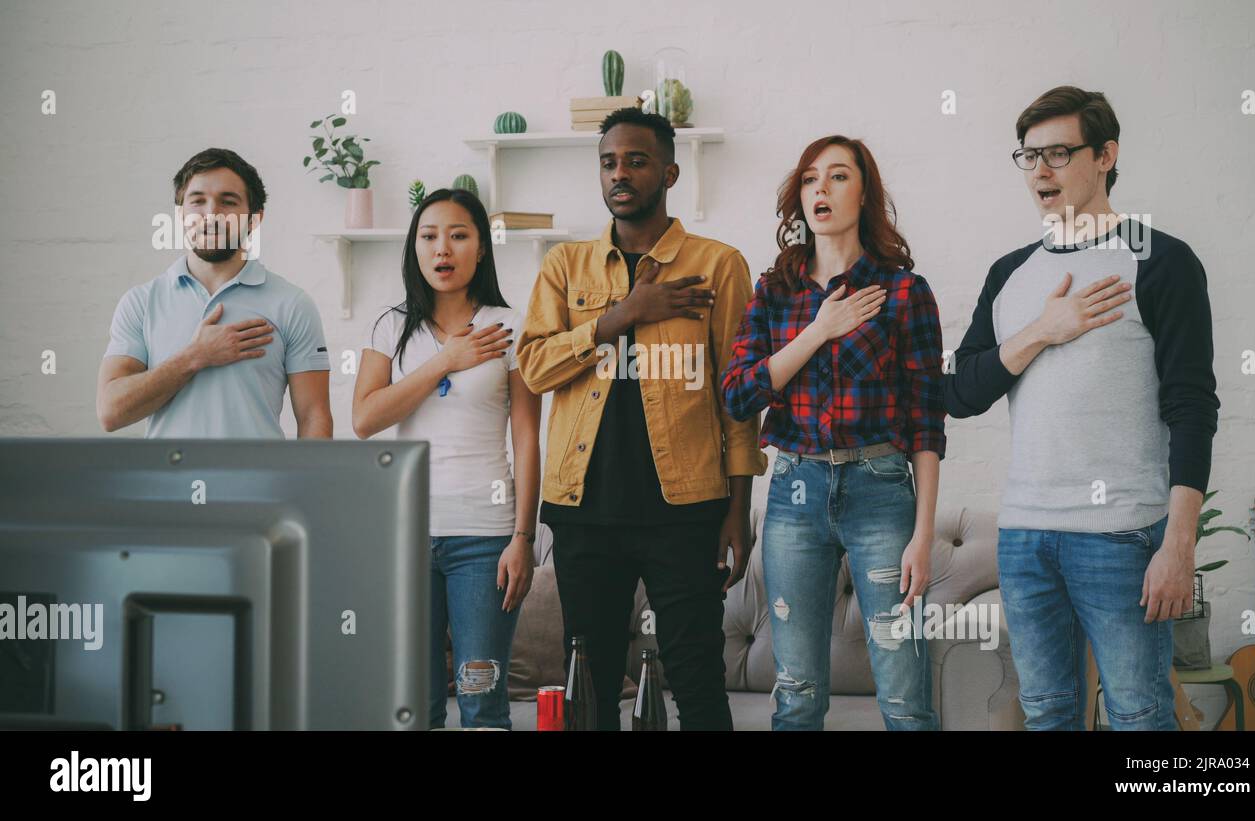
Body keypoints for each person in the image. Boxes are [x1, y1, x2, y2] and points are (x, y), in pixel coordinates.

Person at [943, 86, 1220, 730]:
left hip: (1122, 536)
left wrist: (1179, 544)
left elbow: (1192, 406)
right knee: (1046, 716)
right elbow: (958, 392)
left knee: (1141, 718)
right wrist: (1044, 329)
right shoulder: (1010, 271)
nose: (1041, 170)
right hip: (1023, 539)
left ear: (1105, 156)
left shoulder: (1162, 261)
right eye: (1029, 156)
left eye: (1059, 153)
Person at [516, 108, 765, 730]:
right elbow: (535, 368)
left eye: (636, 160)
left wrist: (738, 507)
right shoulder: (565, 266)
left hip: (685, 508)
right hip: (583, 510)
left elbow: (736, 397)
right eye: (608, 162)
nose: (619, 174)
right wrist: (624, 314)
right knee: (591, 684)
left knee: (697, 678)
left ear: (670, 172)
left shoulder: (718, 264)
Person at [722, 136, 945, 731]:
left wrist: (923, 534)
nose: (821, 188)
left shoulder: (904, 292)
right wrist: (819, 330)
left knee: (903, 695)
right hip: (795, 493)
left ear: (863, 191)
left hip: (881, 491)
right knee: (795, 695)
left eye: (838, 176)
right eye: (810, 178)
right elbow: (739, 395)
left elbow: (927, 421)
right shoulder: (776, 290)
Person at [353, 188, 540, 729]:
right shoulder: (389, 326)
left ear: (481, 248)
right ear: (414, 248)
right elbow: (365, 418)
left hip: (484, 538)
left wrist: (523, 537)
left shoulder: (509, 326)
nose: (443, 249)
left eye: (459, 235)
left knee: (483, 704)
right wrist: (446, 360)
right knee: (414, 707)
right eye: (429, 236)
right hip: (404, 535)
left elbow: (527, 438)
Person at [98, 148, 331, 438]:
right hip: (167, 483)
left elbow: (313, 416)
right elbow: (111, 412)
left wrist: (308, 483)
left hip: (259, 483)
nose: (211, 214)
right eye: (197, 201)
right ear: (181, 214)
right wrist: (195, 357)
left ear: (254, 219)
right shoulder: (140, 303)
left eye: (228, 201)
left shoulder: (292, 304)